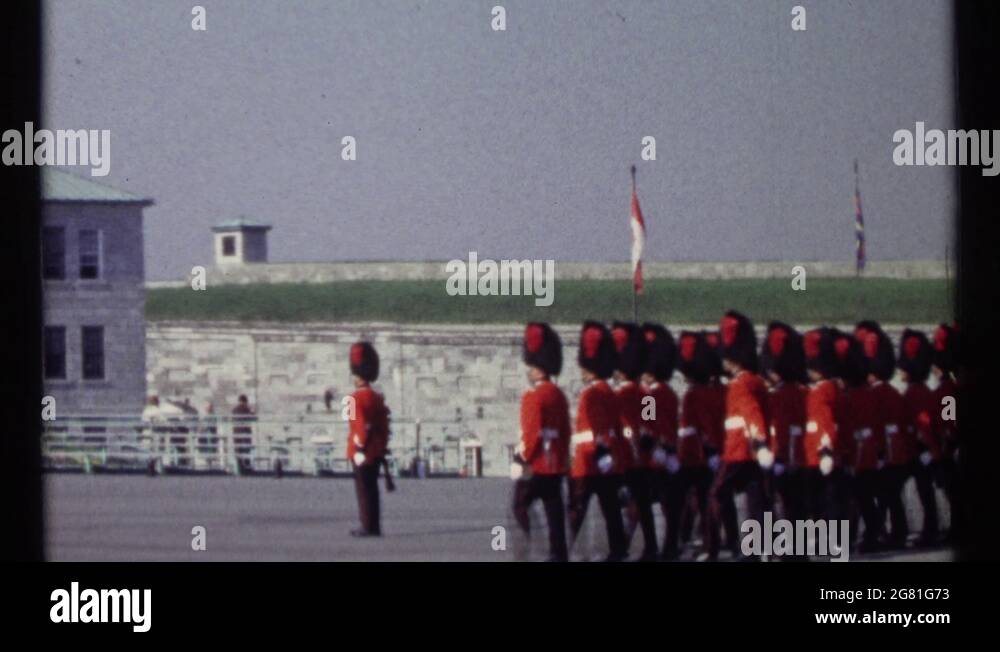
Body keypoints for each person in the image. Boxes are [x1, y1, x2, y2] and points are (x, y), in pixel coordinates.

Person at [705, 310, 770, 561]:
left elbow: (750, 412)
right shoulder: (756, 381)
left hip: (738, 450)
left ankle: (713, 550)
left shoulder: (739, 384)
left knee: (715, 494)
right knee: (756, 499)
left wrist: (759, 440)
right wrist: (761, 443)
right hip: (751, 450)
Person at [567, 321, 628, 561]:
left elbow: (593, 428)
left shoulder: (591, 393)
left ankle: (562, 550)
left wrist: (598, 453)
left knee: (575, 510)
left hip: (588, 460)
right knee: (611, 509)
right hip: (605, 459)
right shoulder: (609, 392)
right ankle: (619, 549)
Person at [511, 322, 572, 562]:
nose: (529, 371)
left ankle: (527, 549)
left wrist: (522, 458)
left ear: (539, 369)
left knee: (519, 505)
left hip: (535, 464)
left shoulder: (533, 396)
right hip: (554, 462)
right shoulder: (558, 395)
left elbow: (532, 431)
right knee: (554, 510)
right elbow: (565, 430)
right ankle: (559, 553)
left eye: (532, 367)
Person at [661, 331, 714, 560]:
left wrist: (661, 446)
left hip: (682, 457)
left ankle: (672, 544)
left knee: (674, 504)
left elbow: (652, 420)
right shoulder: (665, 394)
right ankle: (681, 541)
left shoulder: (657, 395)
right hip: (677, 454)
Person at [610, 321, 658, 561]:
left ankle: (627, 545)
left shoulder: (625, 395)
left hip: (627, 456)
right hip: (635, 456)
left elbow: (647, 425)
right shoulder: (643, 394)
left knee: (633, 504)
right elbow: (649, 424)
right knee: (640, 504)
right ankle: (646, 545)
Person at [759, 322, 808, 525]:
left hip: (785, 455)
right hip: (788, 454)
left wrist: (780, 458)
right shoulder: (798, 392)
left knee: (786, 503)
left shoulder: (785, 394)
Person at [639, 323, 681, 560]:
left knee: (649, 505)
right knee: (668, 506)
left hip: (654, 456)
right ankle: (668, 546)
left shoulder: (650, 395)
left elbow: (648, 426)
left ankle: (654, 546)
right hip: (667, 453)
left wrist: (651, 447)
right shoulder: (668, 392)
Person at [898, 329, 941, 547]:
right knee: (924, 491)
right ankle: (928, 529)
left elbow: (923, 422)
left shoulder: (918, 392)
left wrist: (927, 448)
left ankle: (930, 530)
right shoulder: (918, 390)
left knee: (925, 491)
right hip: (917, 448)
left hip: (921, 450)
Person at [346, 341, 391, 537]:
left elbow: (359, 426)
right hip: (375, 449)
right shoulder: (377, 397)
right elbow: (384, 425)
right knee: (372, 490)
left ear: (357, 376)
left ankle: (367, 525)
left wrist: (358, 448)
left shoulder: (354, 399)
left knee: (363, 491)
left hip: (361, 451)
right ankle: (374, 525)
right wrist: (380, 446)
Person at [801, 328, 843, 526]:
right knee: (820, 500)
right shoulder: (825, 388)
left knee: (827, 500)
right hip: (814, 452)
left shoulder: (823, 390)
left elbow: (826, 422)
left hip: (819, 453)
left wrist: (826, 450)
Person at [931, 323, 960, 542]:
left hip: (951, 446)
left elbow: (950, 421)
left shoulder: (947, 391)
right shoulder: (949, 388)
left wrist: (947, 444)